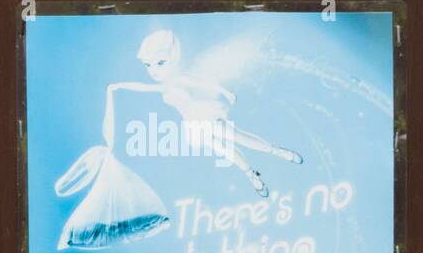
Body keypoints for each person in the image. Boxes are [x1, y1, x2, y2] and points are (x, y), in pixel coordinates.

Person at [102, 29, 302, 198]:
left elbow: (199, 83)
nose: (153, 70)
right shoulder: (163, 87)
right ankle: (251, 174)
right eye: (148, 65)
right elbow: (142, 87)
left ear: (172, 58)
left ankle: (276, 152)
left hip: (203, 115)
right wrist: (118, 86)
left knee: (235, 137)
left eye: (160, 63)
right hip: (193, 125)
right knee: (223, 149)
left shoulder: (179, 79)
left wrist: (225, 92)